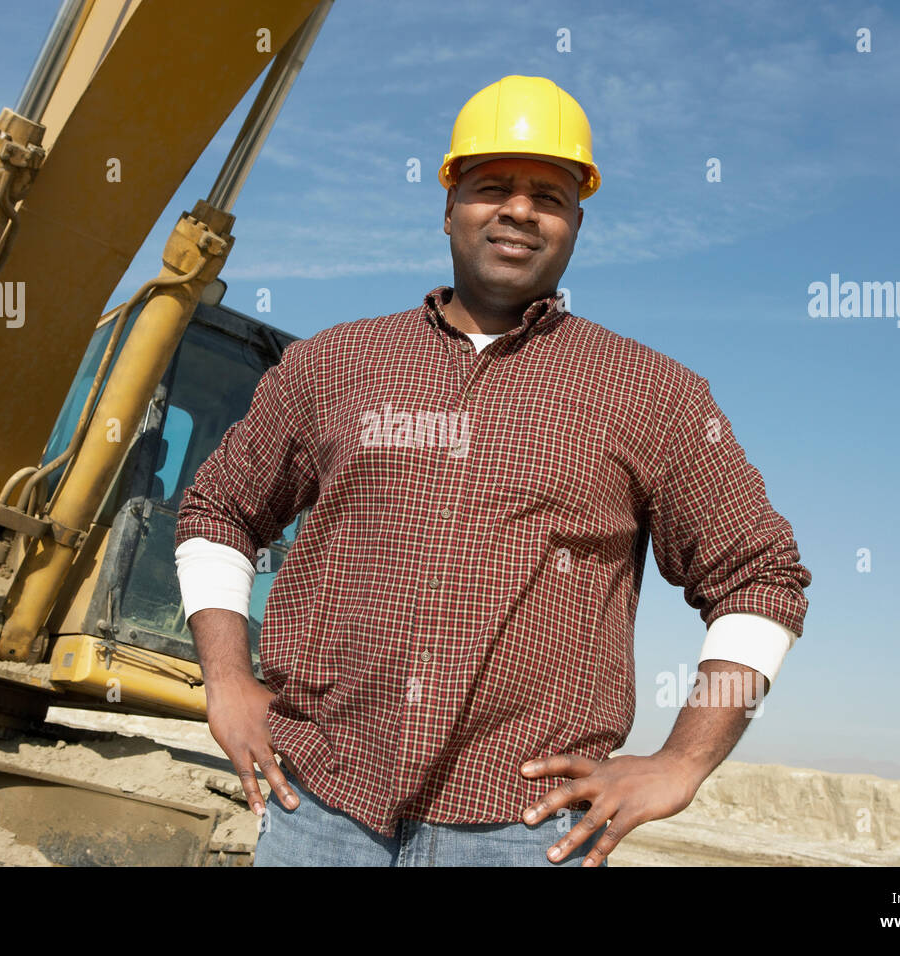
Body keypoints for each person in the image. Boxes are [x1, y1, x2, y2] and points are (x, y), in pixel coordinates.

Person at [174, 75, 812, 867]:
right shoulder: (333, 364)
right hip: (320, 811)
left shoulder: (653, 394)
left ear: (577, 221)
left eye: (549, 194)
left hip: (524, 834)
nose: (519, 209)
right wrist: (227, 680)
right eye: (493, 187)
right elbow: (218, 512)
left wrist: (682, 761)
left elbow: (761, 580)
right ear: (449, 206)